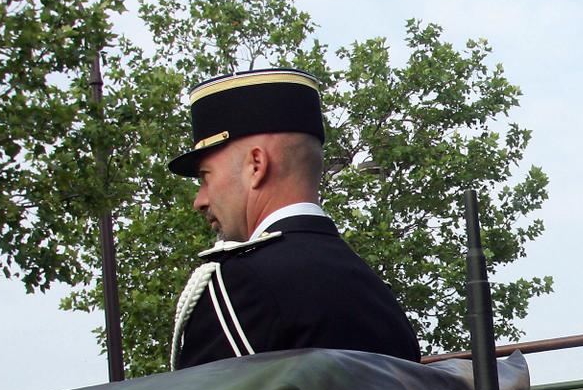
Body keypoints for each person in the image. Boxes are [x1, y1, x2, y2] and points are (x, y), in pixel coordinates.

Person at [166, 68, 421, 369]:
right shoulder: (376, 293)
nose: (200, 200)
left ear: (256, 165)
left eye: (205, 177)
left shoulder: (239, 284)